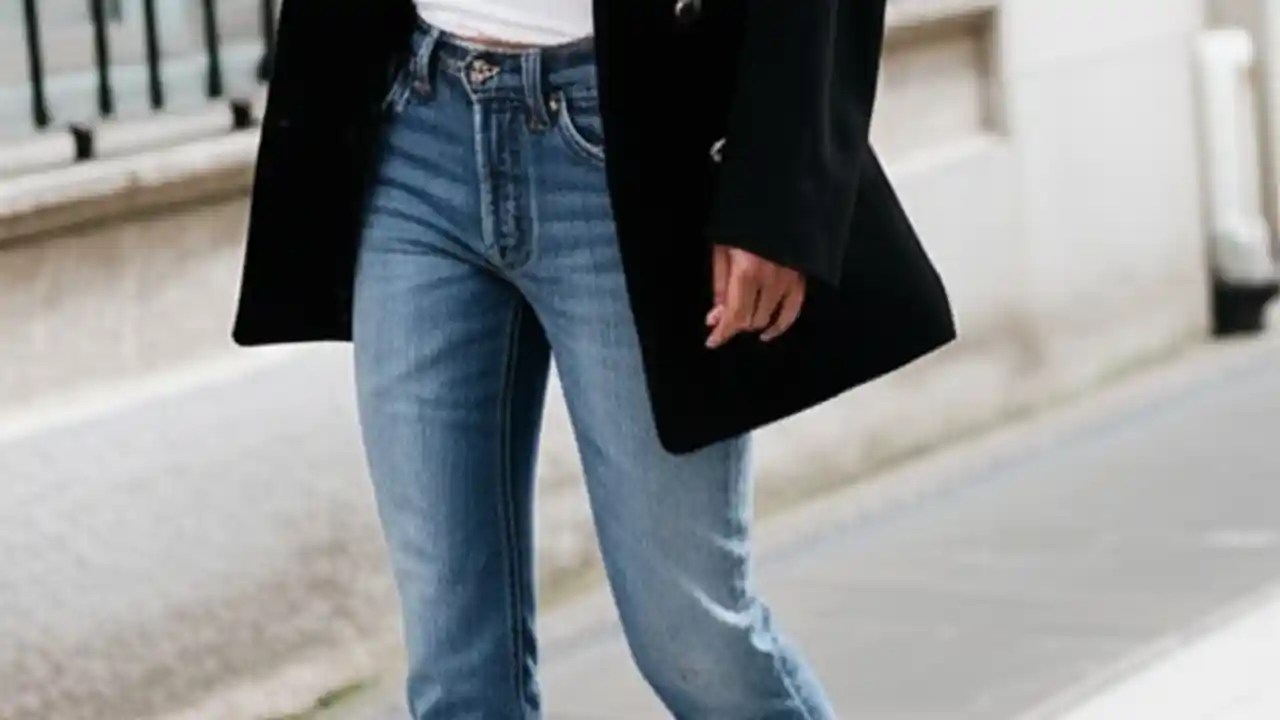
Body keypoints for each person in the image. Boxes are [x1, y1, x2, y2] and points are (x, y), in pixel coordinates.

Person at [230, 0, 957, 717]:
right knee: (454, 671)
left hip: (629, 137)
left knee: (695, 644)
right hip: (418, 127)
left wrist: (775, 190)